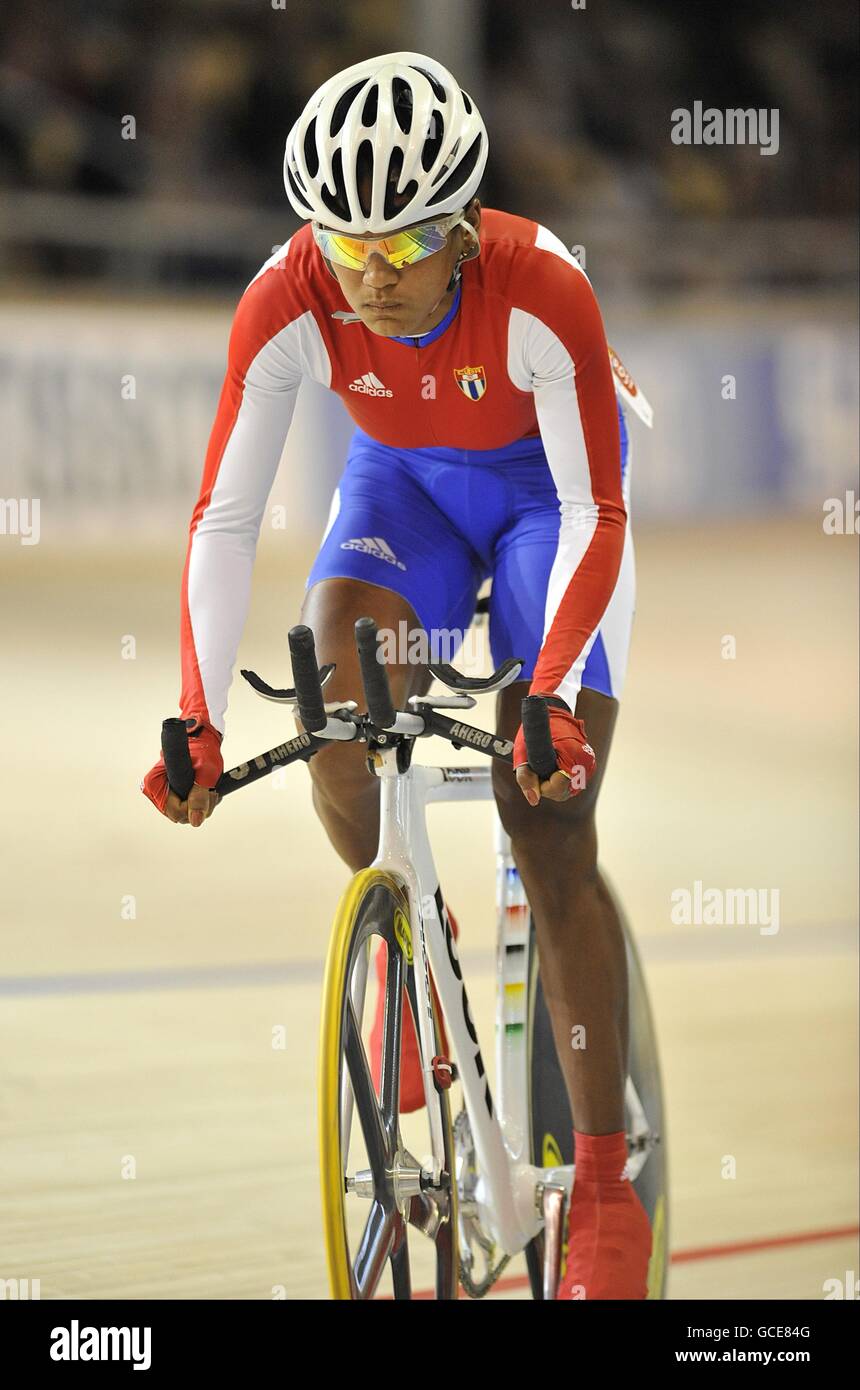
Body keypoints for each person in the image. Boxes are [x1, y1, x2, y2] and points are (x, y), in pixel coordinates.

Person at [142, 51, 652, 1300]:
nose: (367, 272)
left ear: (463, 227)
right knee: (333, 714)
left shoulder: (542, 289)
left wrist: (543, 701)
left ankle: (599, 1185)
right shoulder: (287, 294)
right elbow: (223, 519)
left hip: (549, 502)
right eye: (343, 239)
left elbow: (595, 508)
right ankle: (414, 942)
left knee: (550, 818)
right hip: (403, 492)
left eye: (403, 243)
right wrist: (195, 716)